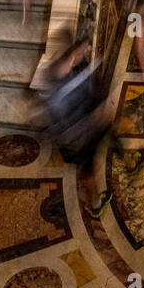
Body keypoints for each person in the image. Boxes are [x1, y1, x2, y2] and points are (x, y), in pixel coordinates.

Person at [38, 31, 113, 217]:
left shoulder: (71, 68)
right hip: (80, 138)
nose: (82, 57)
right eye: (79, 53)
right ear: (70, 53)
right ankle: (96, 205)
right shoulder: (57, 89)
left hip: (89, 127)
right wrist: (94, 116)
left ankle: (127, 158)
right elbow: (62, 119)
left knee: (111, 138)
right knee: (88, 172)